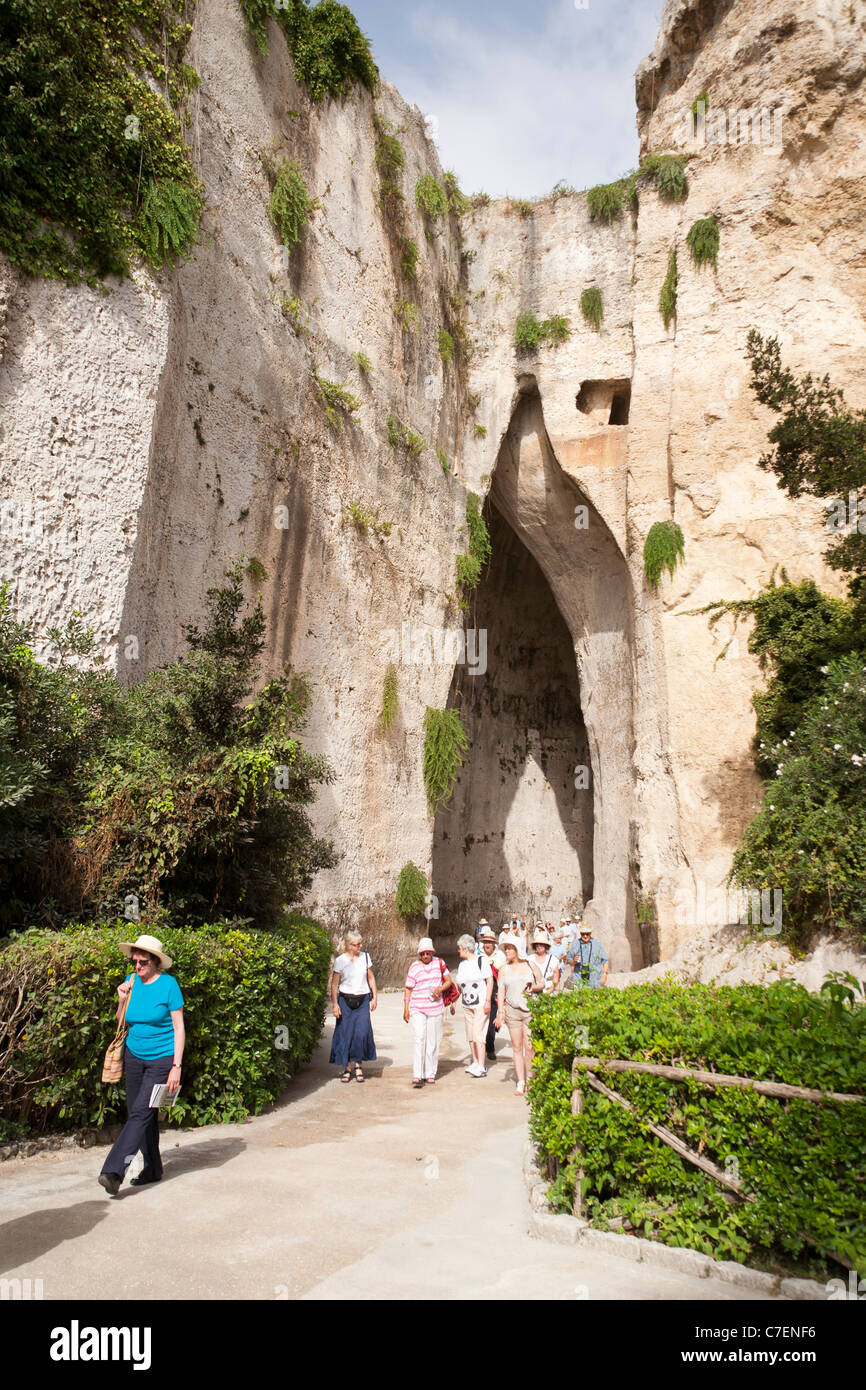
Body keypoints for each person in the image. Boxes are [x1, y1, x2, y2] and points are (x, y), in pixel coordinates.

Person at [98, 934, 184, 1197]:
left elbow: (179, 1028)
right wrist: (121, 999)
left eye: (143, 961)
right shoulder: (131, 981)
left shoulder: (169, 985)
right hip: (134, 1056)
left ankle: (114, 1171)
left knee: (140, 1113)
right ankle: (153, 1168)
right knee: (140, 1114)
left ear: (155, 961)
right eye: (134, 961)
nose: (137, 966)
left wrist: (176, 1066)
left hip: (161, 1059)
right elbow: (120, 1020)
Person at [403, 937, 455, 1087]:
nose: (426, 956)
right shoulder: (414, 967)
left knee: (433, 1042)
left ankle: (430, 1073)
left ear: (432, 952)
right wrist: (406, 1008)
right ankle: (417, 1074)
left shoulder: (439, 963)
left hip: (435, 1008)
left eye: (428, 953)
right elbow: (408, 988)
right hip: (418, 1007)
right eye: (423, 953)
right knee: (419, 1038)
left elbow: (448, 981)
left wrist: (440, 989)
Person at [494, 938, 542, 1096]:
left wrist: (533, 988)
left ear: (517, 949)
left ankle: (531, 1079)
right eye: (505, 949)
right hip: (512, 1010)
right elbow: (500, 991)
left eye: (510, 948)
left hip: (529, 1010)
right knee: (516, 1046)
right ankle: (521, 1081)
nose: (506, 951)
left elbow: (542, 983)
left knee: (529, 1047)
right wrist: (500, 1013)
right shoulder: (503, 969)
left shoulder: (530, 965)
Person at [330, 931, 377, 1082]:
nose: (360, 946)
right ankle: (347, 1067)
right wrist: (335, 1005)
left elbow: (371, 977)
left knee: (361, 1033)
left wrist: (375, 997)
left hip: (362, 999)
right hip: (345, 1000)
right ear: (349, 946)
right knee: (345, 1034)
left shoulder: (365, 957)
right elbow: (334, 984)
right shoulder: (340, 961)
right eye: (357, 944)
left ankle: (358, 1065)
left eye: (361, 944)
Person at [455, 934, 493, 1076]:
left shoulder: (481, 961)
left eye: (459, 948)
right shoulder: (462, 965)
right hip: (467, 1004)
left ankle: (482, 1066)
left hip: (480, 1003)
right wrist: (454, 1001)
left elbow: (489, 981)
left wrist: (488, 1001)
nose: (458, 951)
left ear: (465, 948)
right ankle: (475, 1061)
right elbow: (460, 985)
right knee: (470, 1034)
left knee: (478, 1034)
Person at [478, 925, 502, 1061]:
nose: (487, 944)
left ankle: (490, 1048)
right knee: (480, 1024)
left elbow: (502, 978)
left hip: (493, 995)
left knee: (491, 1023)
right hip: (480, 995)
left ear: (494, 944)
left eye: (489, 942)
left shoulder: (500, 959)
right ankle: (481, 1048)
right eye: (485, 942)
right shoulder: (478, 957)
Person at [565, 923, 610, 990]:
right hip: (579, 979)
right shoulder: (575, 944)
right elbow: (569, 961)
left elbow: (605, 961)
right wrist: (574, 961)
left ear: (590, 933)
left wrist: (605, 974)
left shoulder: (597, 943)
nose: (585, 936)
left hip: (595, 980)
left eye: (587, 934)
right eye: (583, 934)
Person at [530, 928, 560, 994]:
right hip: (533, 994)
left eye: (541, 944)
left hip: (549, 994)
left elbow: (555, 980)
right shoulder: (530, 959)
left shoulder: (553, 959)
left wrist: (548, 993)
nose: (539, 947)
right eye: (537, 945)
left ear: (546, 946)